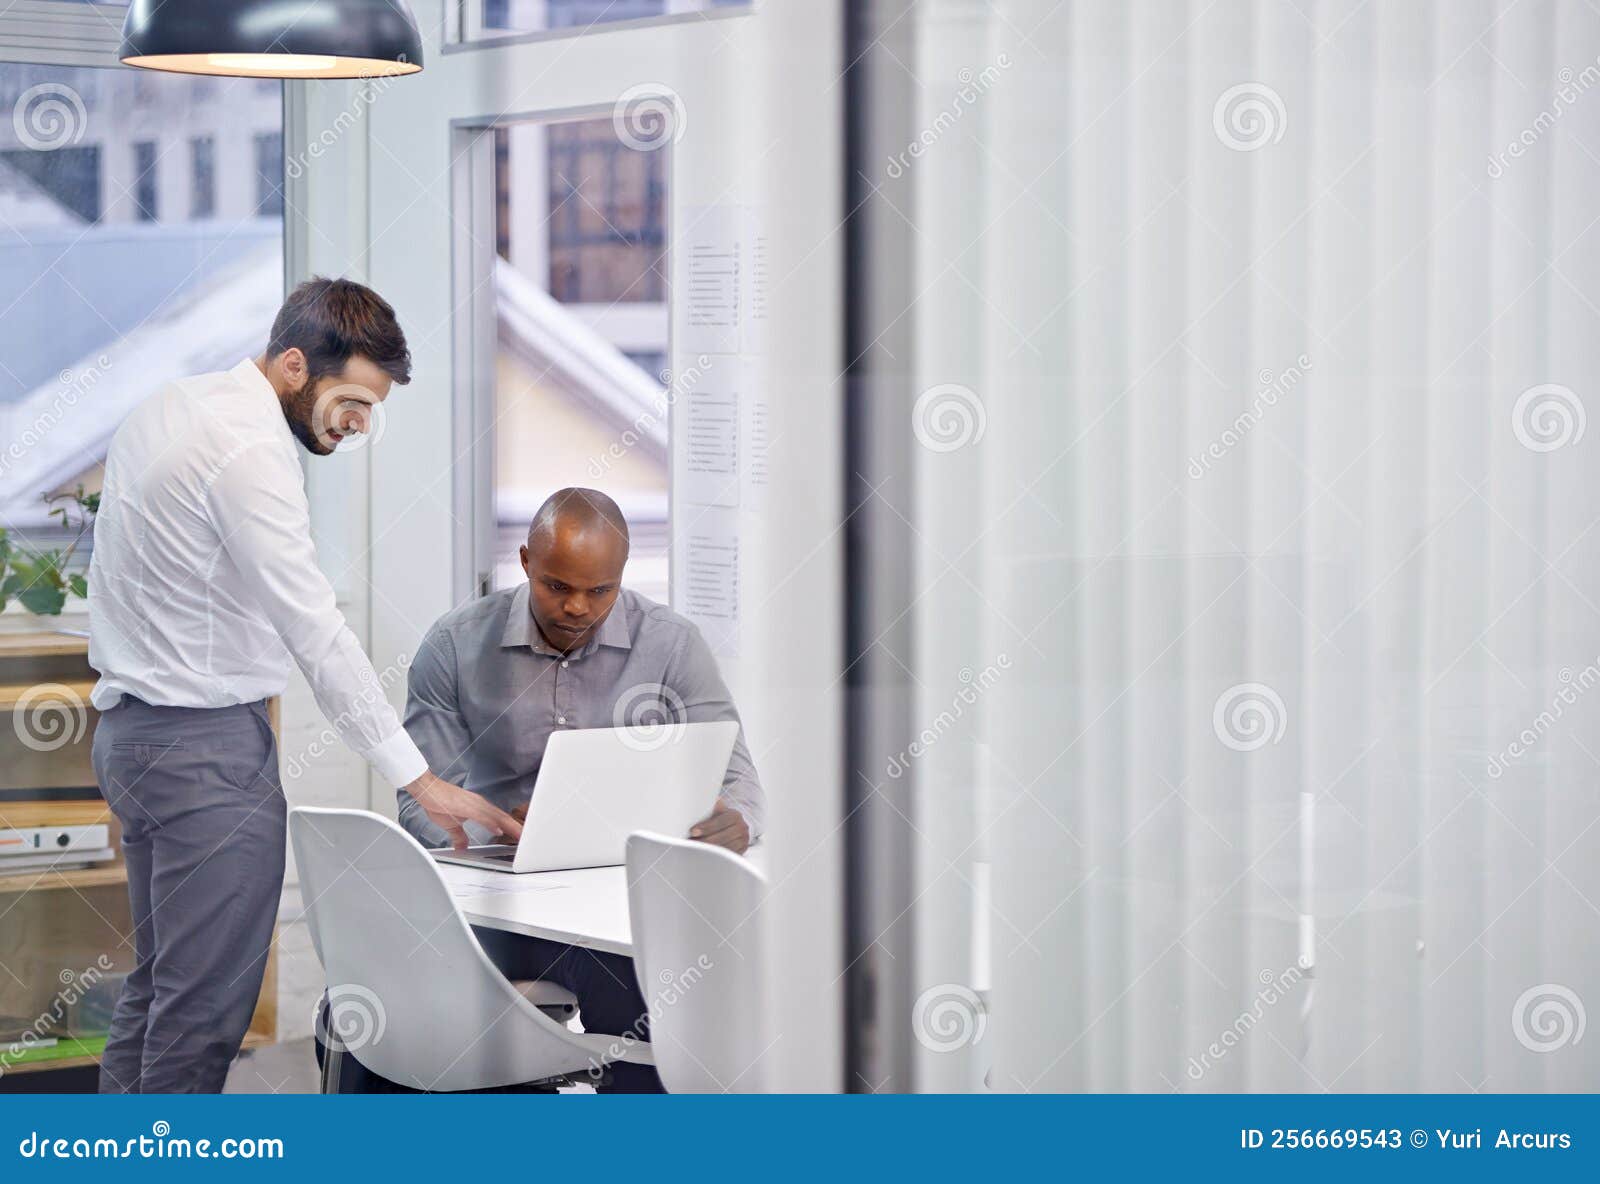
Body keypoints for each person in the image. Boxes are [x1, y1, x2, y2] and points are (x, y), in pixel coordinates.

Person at [87, 278, 522, 1095]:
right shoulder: (250, 453)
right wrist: (418, 780)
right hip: (205, 754)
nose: (358, 423)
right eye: (352, 401)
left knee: (157, 992)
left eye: (372, 408)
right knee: (201, 1018)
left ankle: (117, 1153)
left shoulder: (171, 407)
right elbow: (315, 630)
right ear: (294, 366)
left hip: (130, 740)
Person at [385, 486, 765, 1092]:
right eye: (557, 586)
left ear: (623, 575)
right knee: (407, 1002)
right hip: (496, 907)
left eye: (600, 591)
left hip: (615, 908)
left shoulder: (671, 644)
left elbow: (739, 777)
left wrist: (736, 819)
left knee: (651, 1008)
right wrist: (498, 833)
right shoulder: (455, 644)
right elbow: (420, 803)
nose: (577, 608)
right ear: (526, 563)